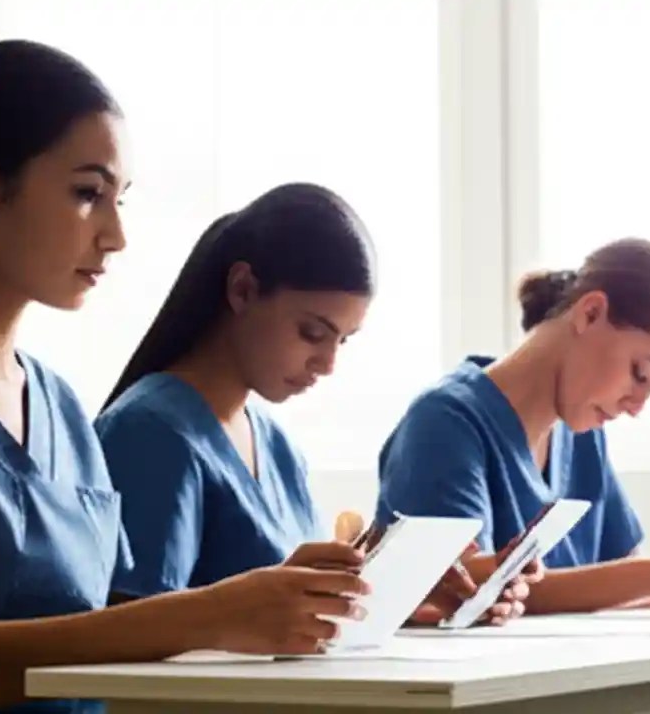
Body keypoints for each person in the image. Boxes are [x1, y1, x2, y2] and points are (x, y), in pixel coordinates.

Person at [0, 40, 368, 714]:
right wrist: (210, 614)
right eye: (88, 193)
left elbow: (114, 633)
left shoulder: (58, 405)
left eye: (121, 200)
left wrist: (282, 604)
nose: (115, 234)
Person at [96, 183, 535, 625]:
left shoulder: (277, 445)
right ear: (243, 290)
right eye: (312, 332)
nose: (327, 364)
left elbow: (294, 624)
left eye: (342, 340)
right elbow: (129, 637)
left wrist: (411, 604)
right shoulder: (151, 434)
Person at [376, 238, 650, 612]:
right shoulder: (445, 424)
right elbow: (464, 590)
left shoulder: (581, 435)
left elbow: (617, 591)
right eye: (640, 376)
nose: (636, 406)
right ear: (590, 313)